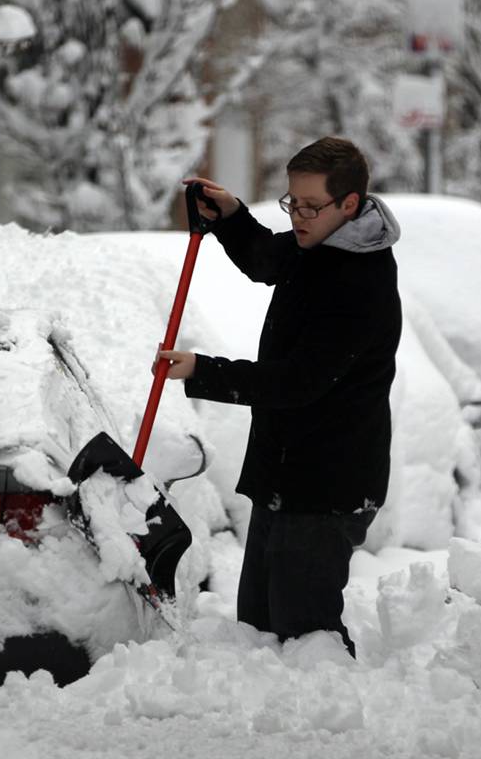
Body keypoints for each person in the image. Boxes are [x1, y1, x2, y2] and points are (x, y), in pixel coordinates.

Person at [158, 136, 401, 657]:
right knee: (261, 631)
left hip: (326, 488)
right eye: (293, 203)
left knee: (306, 637)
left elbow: (298, 382)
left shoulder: (360, 282)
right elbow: (269, 259)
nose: (298, 217)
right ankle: (278, 732)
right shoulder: (321, 242)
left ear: (350, 204)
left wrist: (204, 371)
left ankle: (329, 729)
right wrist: (229, 216)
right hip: (286, 476)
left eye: (312, 206)